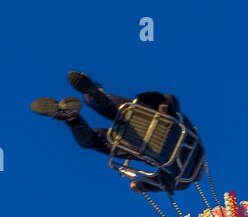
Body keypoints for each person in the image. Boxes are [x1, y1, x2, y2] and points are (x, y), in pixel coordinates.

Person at [31, 73, 187, 192]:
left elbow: (170, 100)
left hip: (151, 121)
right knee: (94, 140)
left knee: (120, 112)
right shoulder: (180, 173)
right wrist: (140, 185)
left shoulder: (191, 139)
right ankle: (73, 117)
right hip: (145, 146)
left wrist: (164, 105)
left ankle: (93, 95)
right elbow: (161, 183)